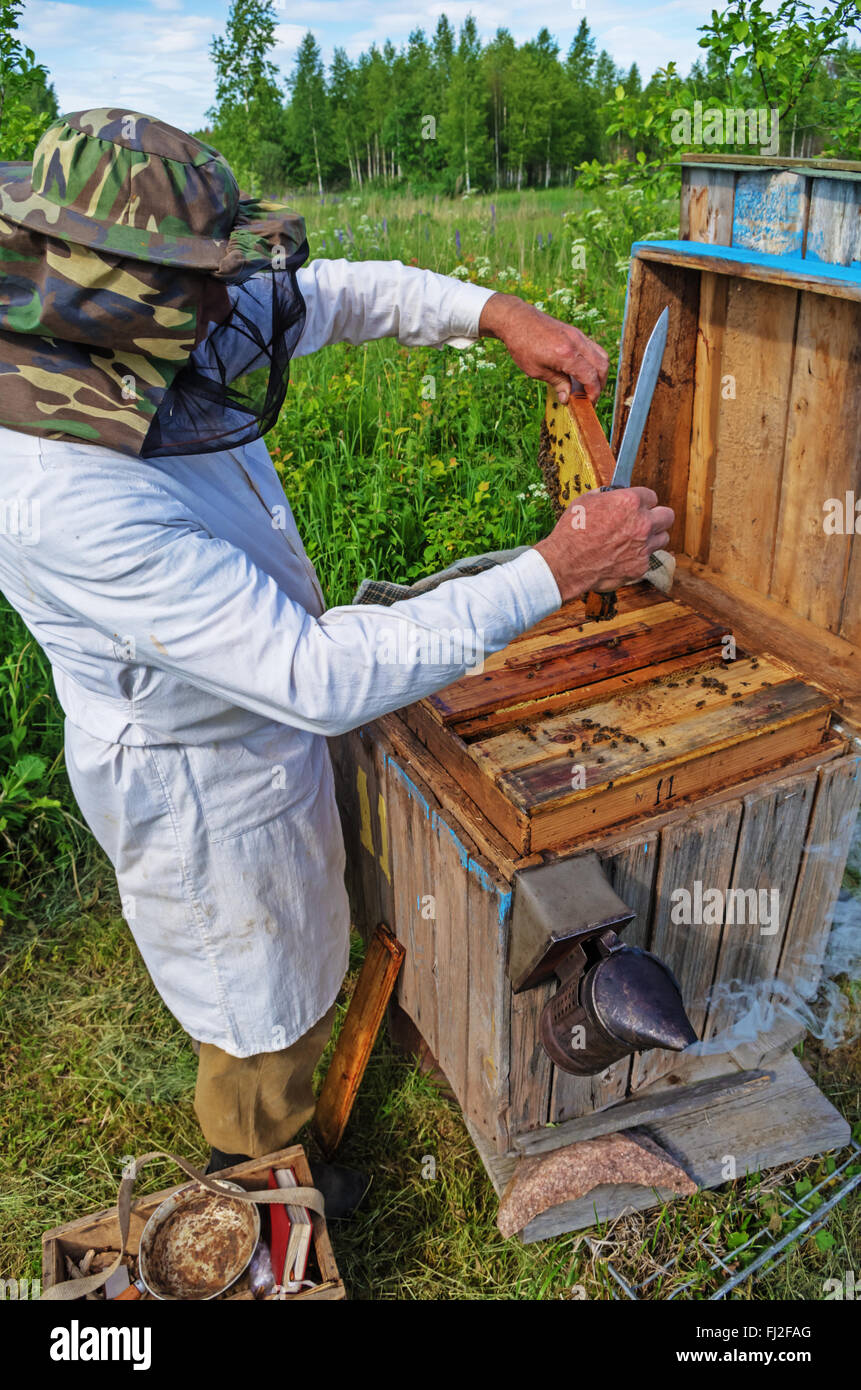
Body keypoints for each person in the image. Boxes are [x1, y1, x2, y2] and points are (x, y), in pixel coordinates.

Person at [0, 110, 672, 1210]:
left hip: (257, 713)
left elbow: (338, 294)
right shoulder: (56, 491)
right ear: (111, 298)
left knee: (304, 946)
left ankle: (292, 1145)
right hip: (198, 775)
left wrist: (497, 313)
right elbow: (312, 673)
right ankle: (260, 1183)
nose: (231, 306)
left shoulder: (141, 306)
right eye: (203, 290)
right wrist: (558, 566)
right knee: (254, 1007)